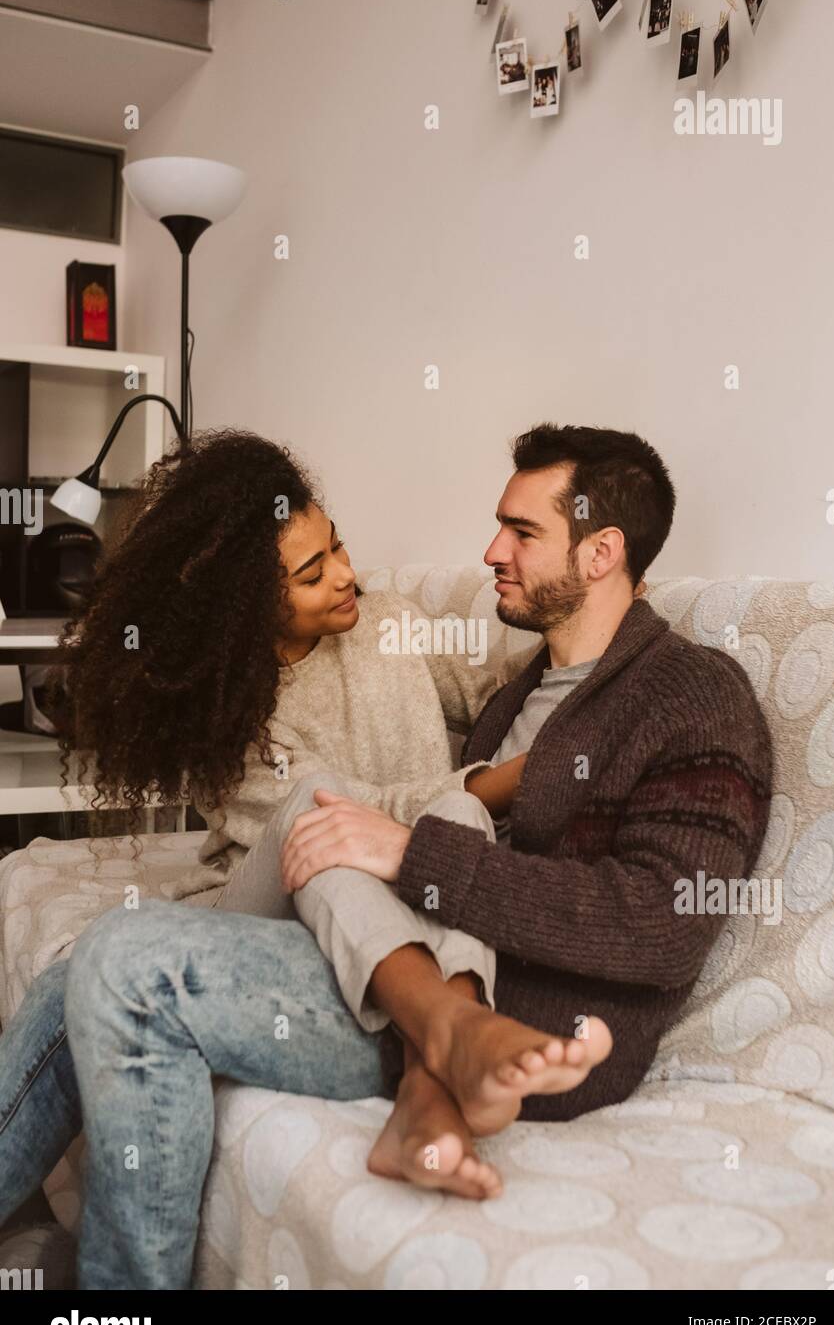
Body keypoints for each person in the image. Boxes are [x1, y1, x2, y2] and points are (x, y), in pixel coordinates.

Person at [0, 427, 616, 1281]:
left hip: (393, 906)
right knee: (324, 805)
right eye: (310, 572)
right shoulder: (232, 711)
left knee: (83, 978)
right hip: (279, 908)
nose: (344, 576)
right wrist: (488, 786)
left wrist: (587, 645)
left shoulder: (391, 626)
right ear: (250, 605)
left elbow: (502, 689)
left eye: (338, 546)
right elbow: (356, 819)